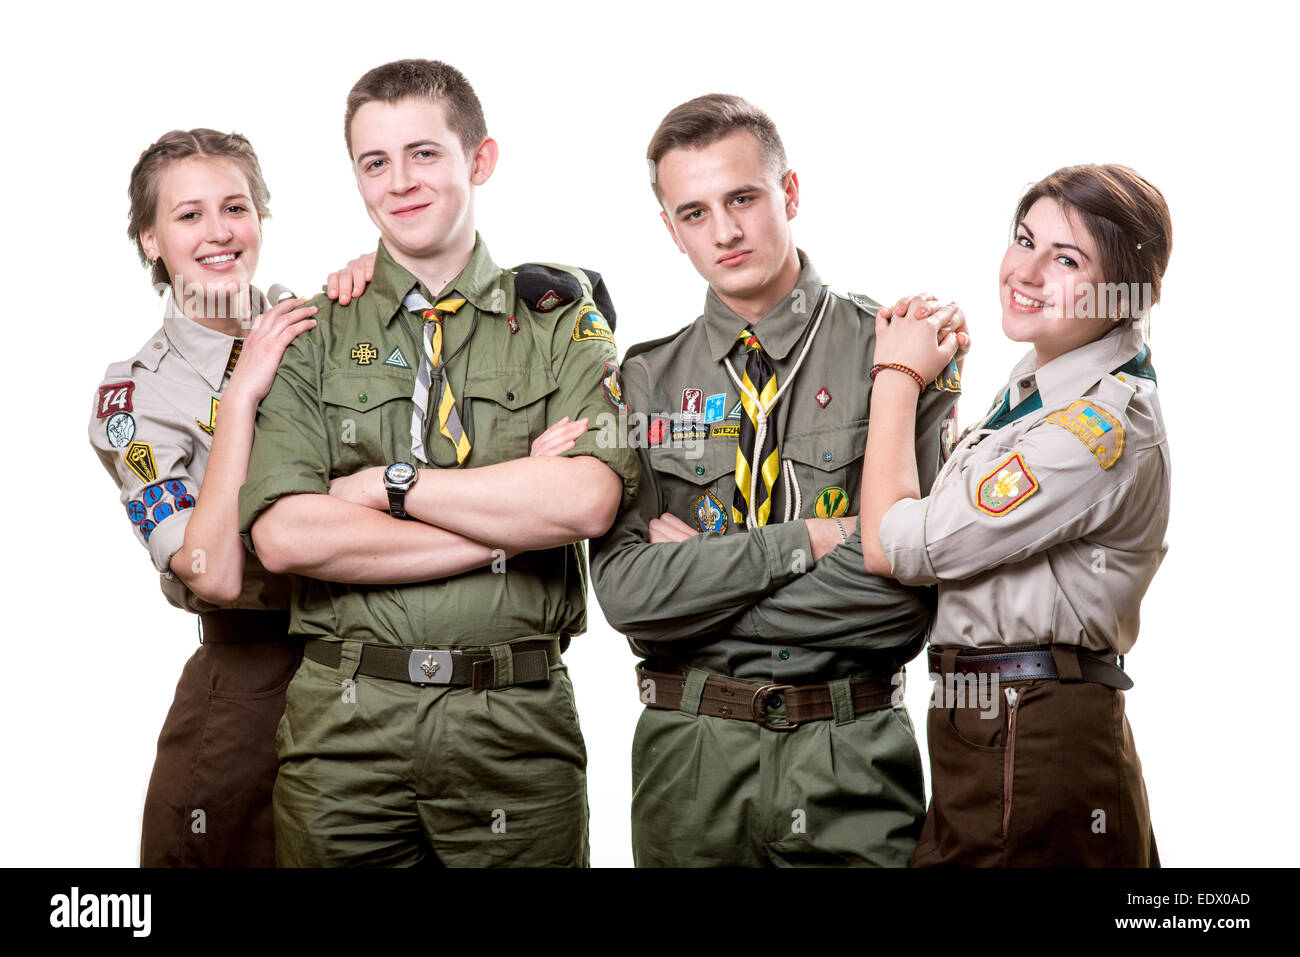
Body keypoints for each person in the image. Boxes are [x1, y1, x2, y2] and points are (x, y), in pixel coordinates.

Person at [236, 58, 639, 867]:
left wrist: (390, 486)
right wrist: (511, 524)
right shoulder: (309, 334)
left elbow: (588, 500)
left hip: (515, 727)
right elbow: (285, 536)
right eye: (374, 162)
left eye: (423, 153)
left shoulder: (562, 323)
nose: (399, 183)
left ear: (479, 160)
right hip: (343, 730)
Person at [588, 94, 965, 867]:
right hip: (688, 759)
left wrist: (700, 586)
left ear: (789, 192)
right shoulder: (645, 378)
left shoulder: (899, 353)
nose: (724, 232)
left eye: (743, 198)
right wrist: (813, 541)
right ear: (670, 230)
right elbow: (628, 596)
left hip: (850, 752)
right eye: (694, 213)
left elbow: (903, 600)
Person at [859, 163, 1171, 867]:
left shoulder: (1096, 427)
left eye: (1066, 259)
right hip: (992, 719)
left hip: (1031, 725)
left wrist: (896, 377)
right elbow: (945, 517)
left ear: (1129, 293)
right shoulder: (1036, 390)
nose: (1025, 273)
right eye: (1025, 240)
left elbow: (893, 544)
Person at [89, 129, 320, 866]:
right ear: (150, 240)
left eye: (236, 207)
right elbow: (206, 566)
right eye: (189, 215)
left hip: (385, 672)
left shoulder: (328, 332)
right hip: (252, 688)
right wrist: (245, 391)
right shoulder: (137, 398)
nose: (219, 231)